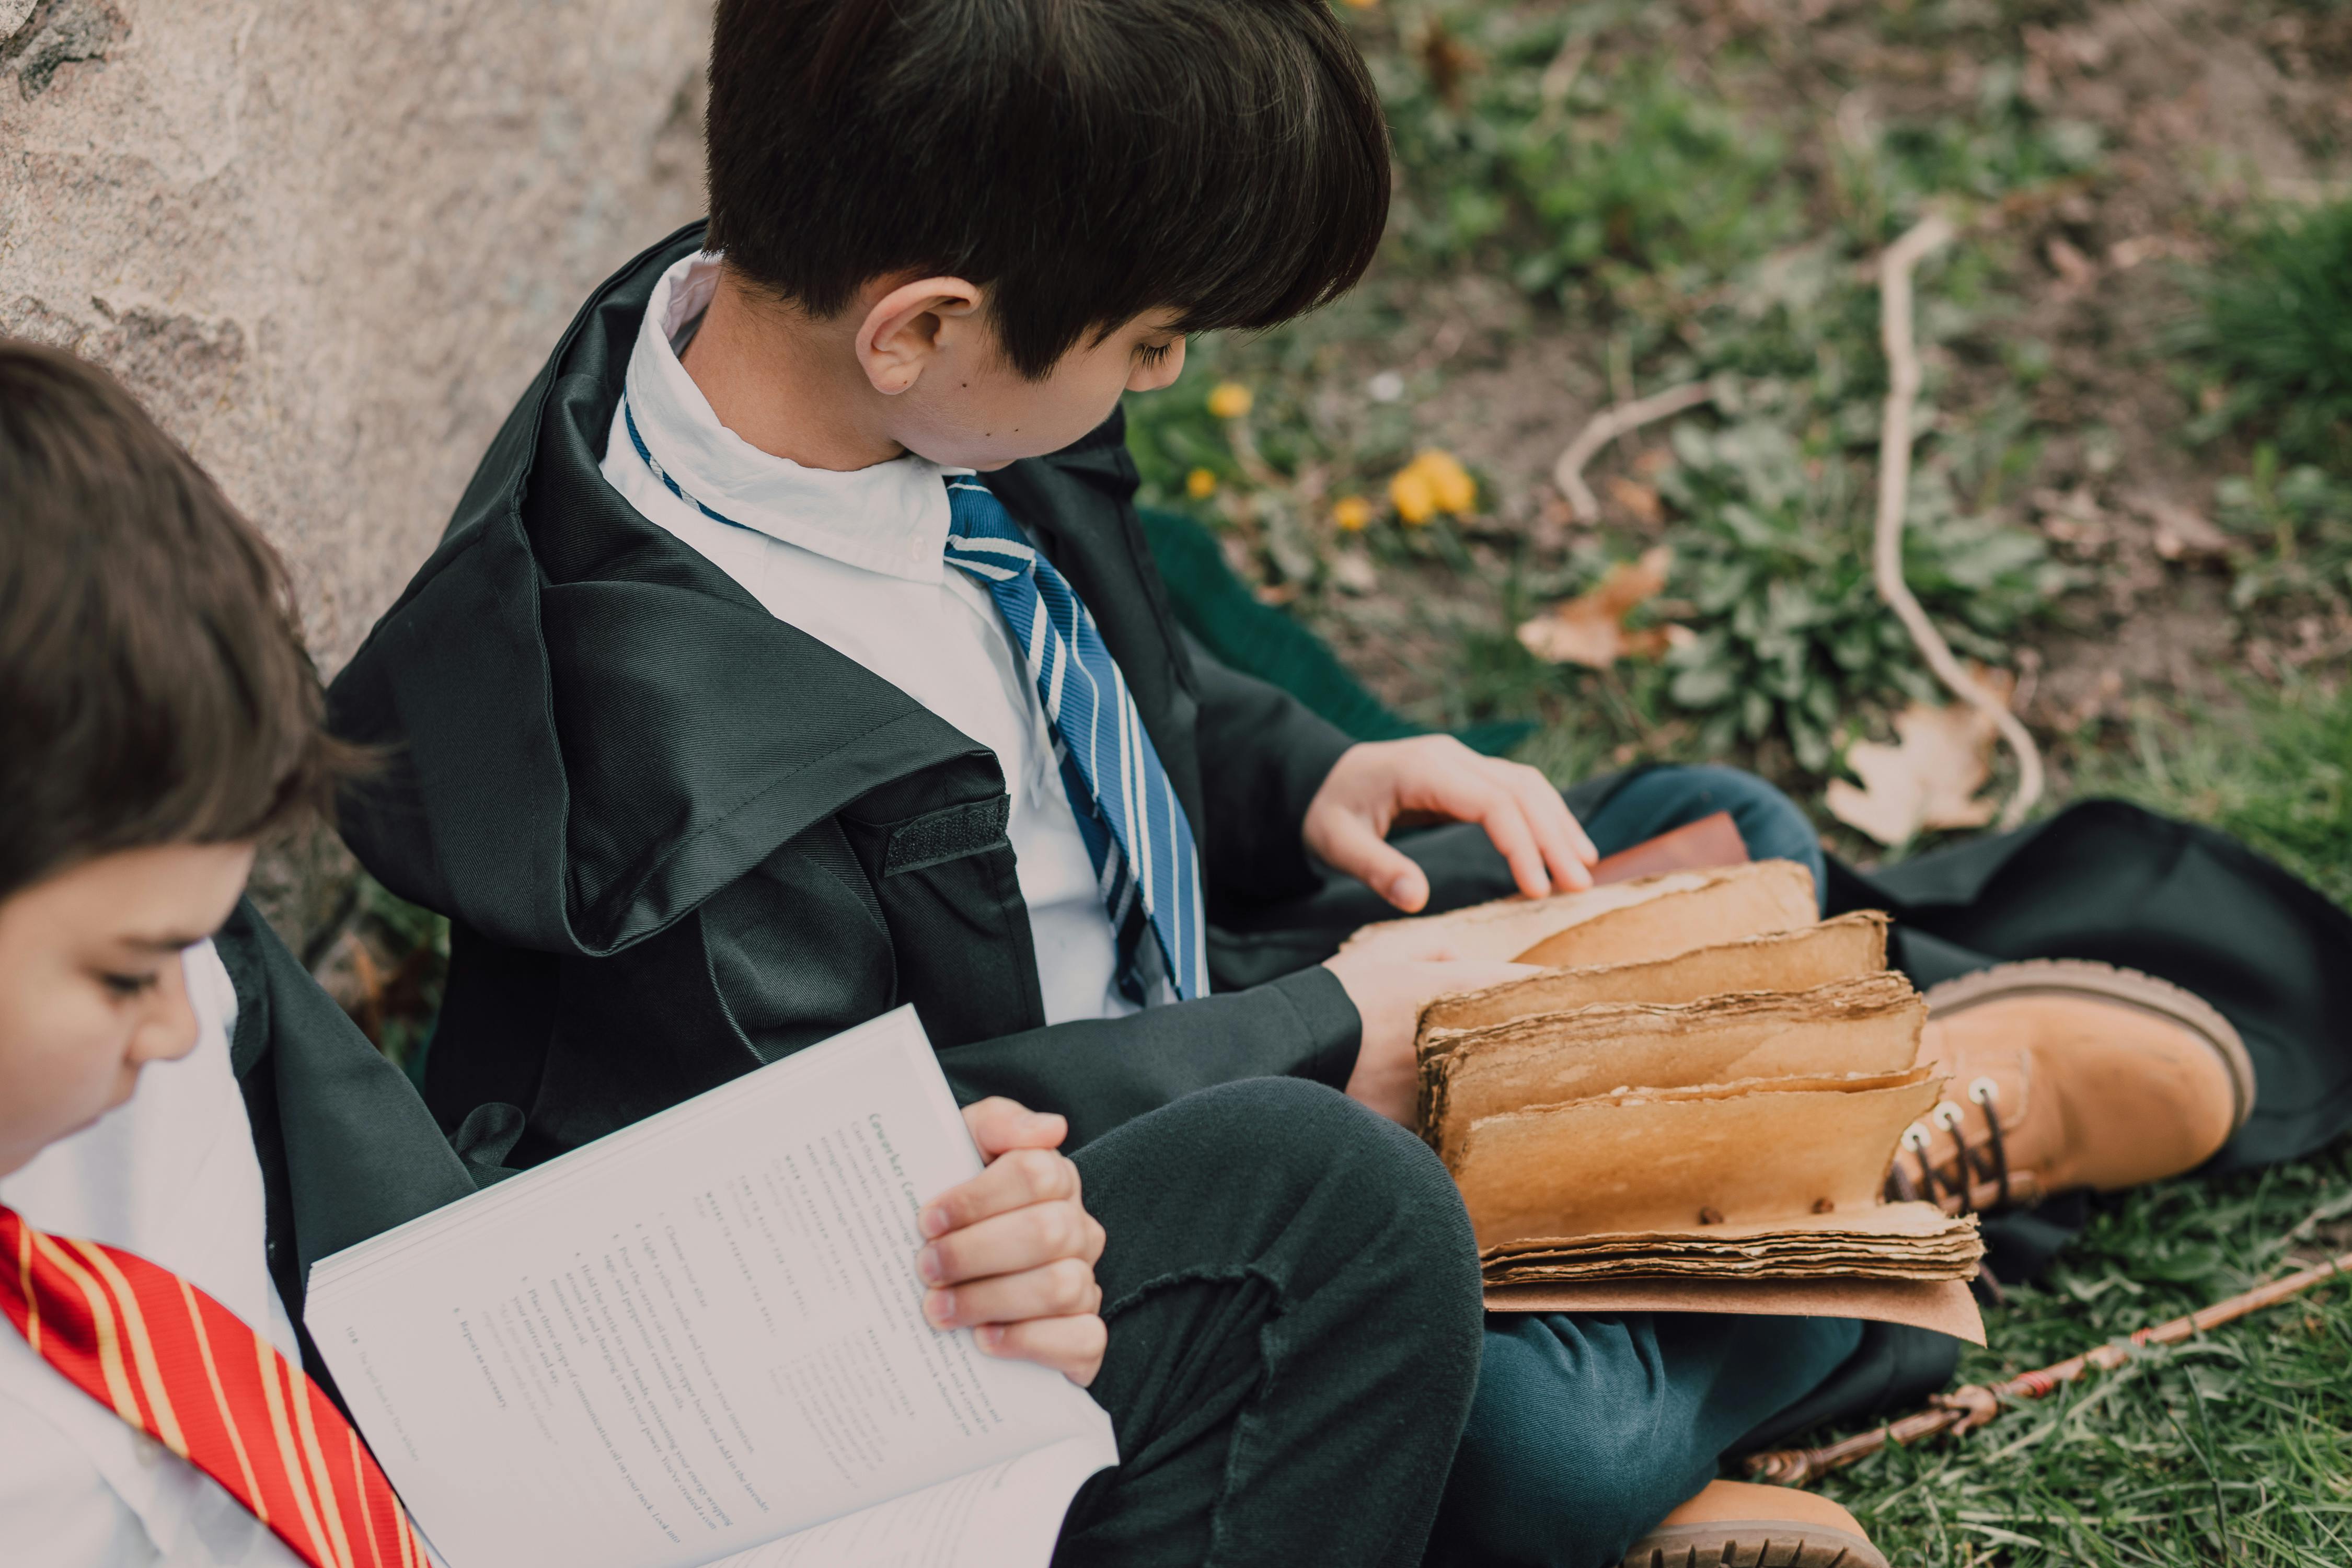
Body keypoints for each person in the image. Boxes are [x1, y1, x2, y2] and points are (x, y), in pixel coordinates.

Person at [322, 3, 2254, 1563]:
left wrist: (1309, 768)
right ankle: (1831, 1217)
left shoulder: (848, 357)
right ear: (925, 324)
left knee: (1712, 838)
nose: (1158, 380)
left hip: (1201, 980)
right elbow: (862, 1166)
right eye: (1153, 344)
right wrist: (1331, 1032)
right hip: (1078, 1219)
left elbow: (1080, 676)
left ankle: (1769, 1196)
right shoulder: (670, 778)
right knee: (1525, 1448)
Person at [0, 341, 1487, 1568]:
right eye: (129, 976)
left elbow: (412, 1285)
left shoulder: (173, 978)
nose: (180, 1027)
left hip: (553, 1488)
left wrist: (846, 1225)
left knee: (1332, 1212)